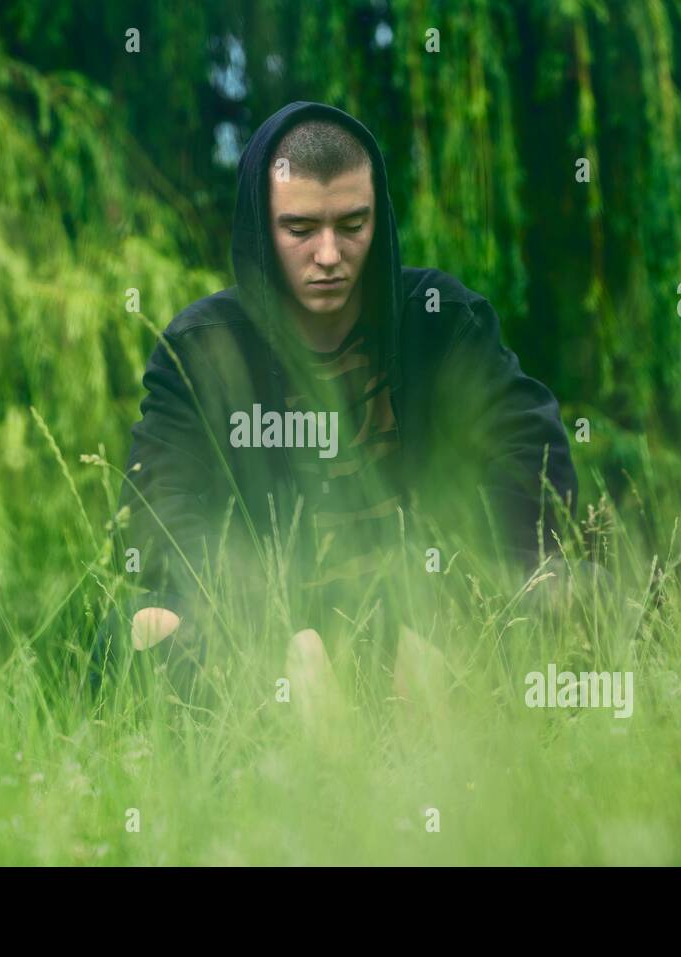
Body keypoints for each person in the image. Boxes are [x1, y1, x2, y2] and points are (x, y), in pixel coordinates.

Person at [110, 101, 579, 709]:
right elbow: (158, 520)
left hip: (433, 615)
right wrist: (277, 634)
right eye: (300, 230)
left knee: (574, 595)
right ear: (262, 225)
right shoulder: (202, 348)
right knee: (146, 630)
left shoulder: (442, 319)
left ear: (377, 219)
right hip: (270, 640)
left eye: (352, 225)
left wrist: (452, 611)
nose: (329, 255)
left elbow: (533, 473)